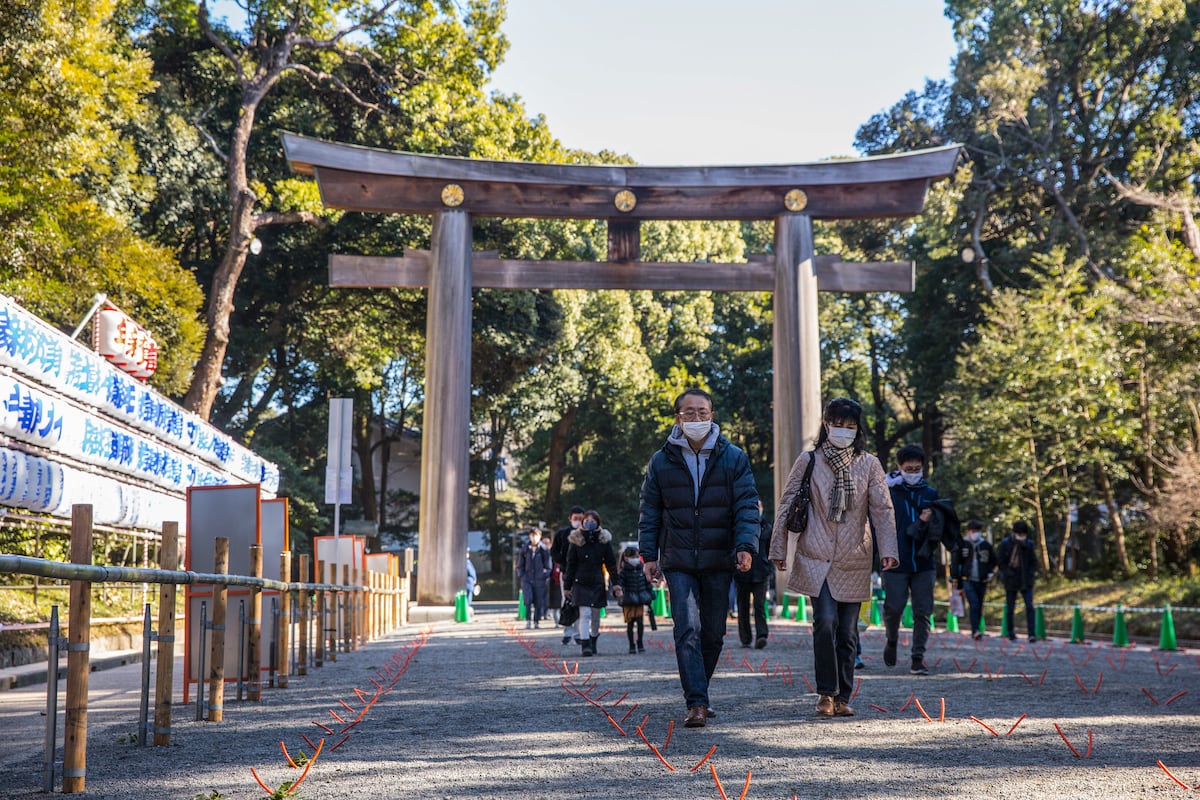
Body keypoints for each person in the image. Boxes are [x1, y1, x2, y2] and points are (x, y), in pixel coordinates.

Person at [638, 388, 760, 729]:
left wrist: (746, 546)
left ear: (712, 415)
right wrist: (650, 555)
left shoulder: (733, 457)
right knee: (687, 628)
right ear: (678, 417)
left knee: (714, 633)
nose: (696, 418)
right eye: (689, 413)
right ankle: (697, 702)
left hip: (720, 557)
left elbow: (747, 505)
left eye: (702, 412)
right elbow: (649, 511)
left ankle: (699, 690)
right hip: (678, 559)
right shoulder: (661, 460)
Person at [770, 397, 898, 718]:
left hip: (854, 557)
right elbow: (787, 504)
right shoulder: (809, 460)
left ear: (858, 429)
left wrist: (889, 551)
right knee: (825, 622)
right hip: (816, 554)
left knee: (848, 631)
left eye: (849, 426)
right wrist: (778, 547)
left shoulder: (869, 464)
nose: (842, 431)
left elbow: (882, 510)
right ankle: (825, 693)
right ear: (826, 425)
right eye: (837, 425)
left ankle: (843, 696)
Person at [883, 444, 939, 675]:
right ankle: (892, 639)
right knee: (894, 608)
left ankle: (918, 657)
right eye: (909, 468)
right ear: (899, 467)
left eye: (917, 468)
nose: (913, 472)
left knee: (922, 611)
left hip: (925, 562)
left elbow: (940, 529)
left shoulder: (931, 494)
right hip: (896, 560)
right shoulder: (890, 492)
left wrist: (928, 521)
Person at [563, 509, 618, 656]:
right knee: (584, 614)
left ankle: (593, 639)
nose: (589, 523)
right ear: (582, 522)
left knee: (595, 616)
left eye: (593, 520)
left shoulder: (603, 540)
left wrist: (616, 583)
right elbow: (571, 564)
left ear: (598, 523)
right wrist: (567, 586)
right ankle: (585, 645)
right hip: (580, 581)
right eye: (586, 520)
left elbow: (611, 563)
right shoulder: (575, 539)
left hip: (597, 581)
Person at [735, 500, 773, 649]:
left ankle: (761, 635)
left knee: (759, 605)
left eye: (759, 506)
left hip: (761, 573)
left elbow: (771, 550)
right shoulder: (740, 527)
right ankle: (745, 638)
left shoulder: (766, 527)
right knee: (742, 606)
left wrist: (770, 568)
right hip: (742, 573)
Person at [952, 519, 996, 639]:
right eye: (973, 531)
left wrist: (990, 572)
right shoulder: (963, 544)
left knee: (979, 605)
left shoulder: (985, 545)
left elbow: (993, 560)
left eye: (977, 531)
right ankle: (975, 630)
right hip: (967, 579)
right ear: (968, 531)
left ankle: (977, 628)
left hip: (982, 580)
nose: (975, 533)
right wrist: (955, 577)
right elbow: (956, 561)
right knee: (974, 604)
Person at [996, 520, 1038, 641]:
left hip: (1025, 579)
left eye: (1023, 534)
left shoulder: (1029, 544)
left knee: (1029, 606)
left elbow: (1033, 561)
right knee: (1010, 607)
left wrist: (1030, 574)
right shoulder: (1006, 544)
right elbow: (1001, 561)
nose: (1021, 537)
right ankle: (1011, 632)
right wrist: (1007, 573)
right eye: (1019, 534)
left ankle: (1031, 633)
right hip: (1011, 578)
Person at [552, 506, 586, 644]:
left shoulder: (587, 533)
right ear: (570, 519)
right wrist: (562, 561)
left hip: (582, 573)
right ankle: (567, 630)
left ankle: (579, 633)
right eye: (575, 518)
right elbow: (554, 552)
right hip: (566, 572)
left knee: (580, 602)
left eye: (580, 518)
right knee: (566, 601)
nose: (577, 521)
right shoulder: (562, 533)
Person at [614, 546, 654, 654]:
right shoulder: (623, 572)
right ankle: (631, 644)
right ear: (626, 558)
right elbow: (619, 585)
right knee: (630, 623)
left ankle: (640, 642)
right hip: (629, 601)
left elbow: (647, 584)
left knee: (640, 623)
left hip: (640, 599)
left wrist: (650, 596)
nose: (636, 559)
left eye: (637, 556)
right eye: (634, 557)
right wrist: (618, 592)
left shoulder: (642, 569)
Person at [516, 528, 551, 629]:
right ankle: (528, 620)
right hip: (527, 579)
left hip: (540, 579)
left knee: (538, 601)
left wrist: (545, 575)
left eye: (536, 535)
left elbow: (549, 566)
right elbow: (520, 565)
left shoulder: (544, 549)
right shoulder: (525, 549)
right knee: (528, 600)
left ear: (540, 536)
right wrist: (522, 575)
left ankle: (536, 621)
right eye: (532, 535)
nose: (534, 537)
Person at [542, 533, 561, 611]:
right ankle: (543, 611)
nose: (545, 545)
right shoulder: (539, 552)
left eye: (547, 543)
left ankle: (547, 611)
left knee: (550, 595)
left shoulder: (553, 553)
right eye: (544, 543)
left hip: (552, 577)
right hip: (542, 577)